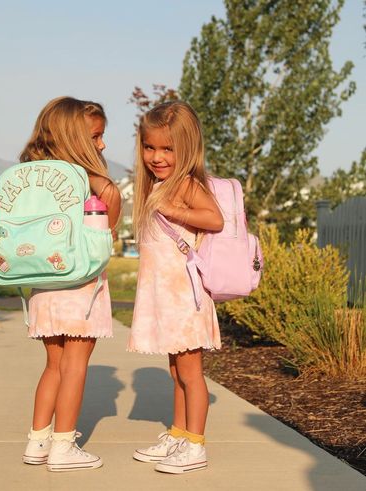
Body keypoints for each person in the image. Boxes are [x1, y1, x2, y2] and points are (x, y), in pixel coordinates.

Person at [0, 96, 121, 472]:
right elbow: (106, 231)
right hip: (80, 284)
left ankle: (37, 441)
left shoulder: (26, 177)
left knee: (53, 365)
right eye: (96, 137)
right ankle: (64, 447)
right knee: (76, 366)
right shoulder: (94, 183)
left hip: (41, 283)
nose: (102, 144)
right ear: (75, 138)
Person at [128, 101, 224, 474]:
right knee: (176, 370)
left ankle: (195, 445)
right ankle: (180, 433)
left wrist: (176, 210)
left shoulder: (184, 185)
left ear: (187, 148)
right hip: (166, 299)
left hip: (185, 298)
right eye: (150, 148)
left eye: (167, 149)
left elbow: (214, 218)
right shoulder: (159, 184)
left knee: (190, 372)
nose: (157, 156)